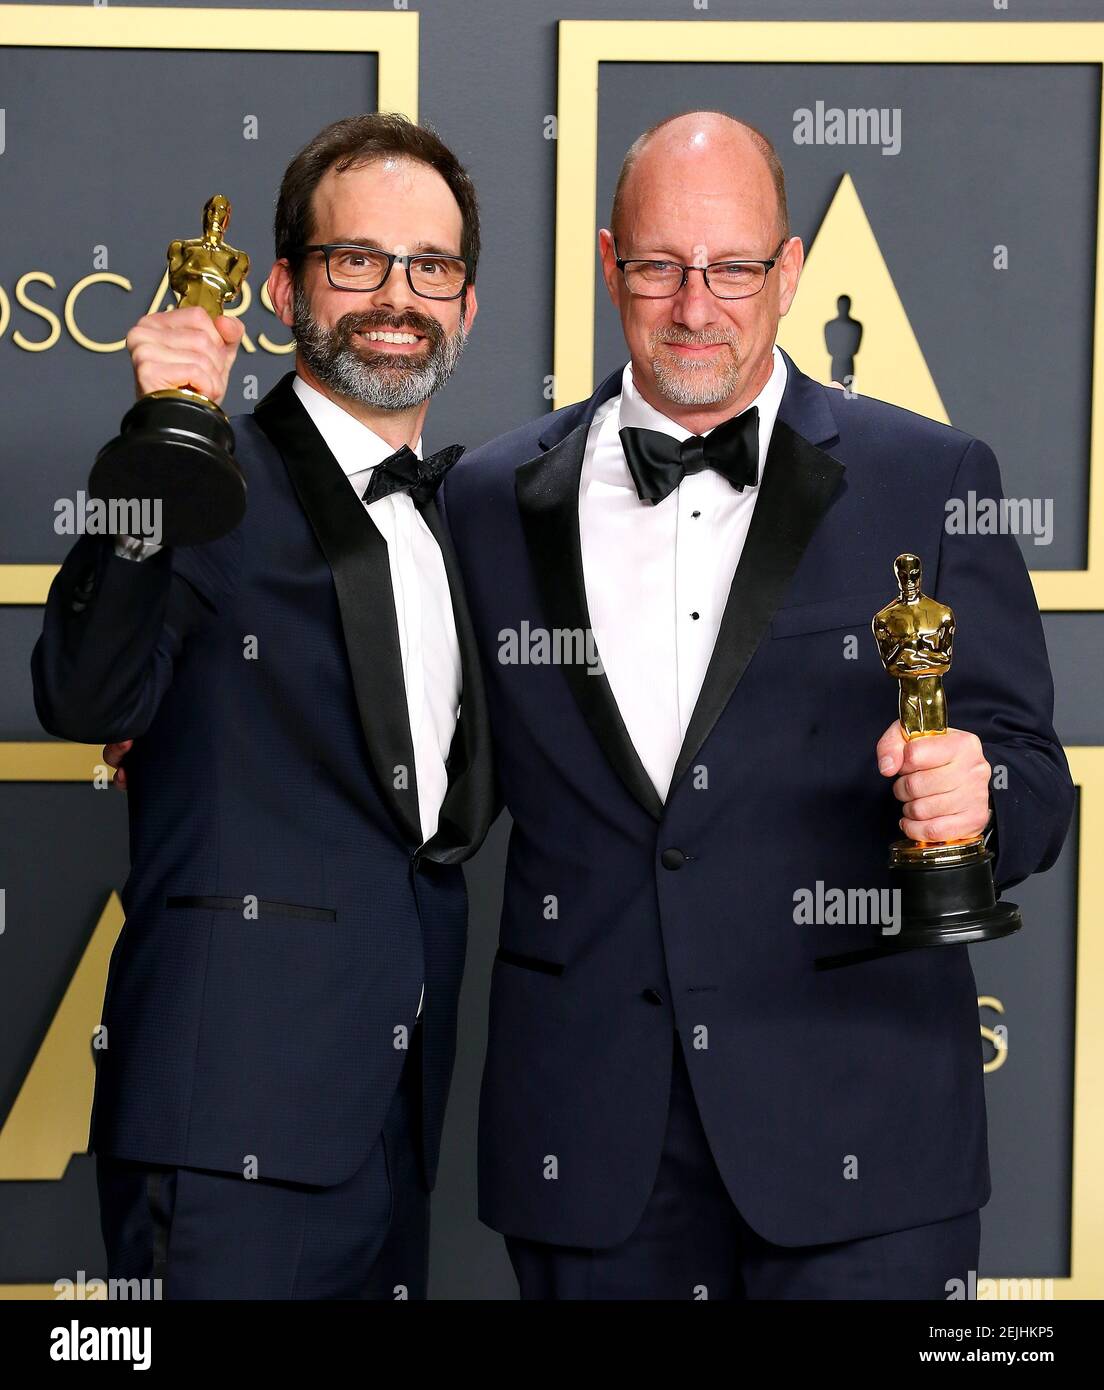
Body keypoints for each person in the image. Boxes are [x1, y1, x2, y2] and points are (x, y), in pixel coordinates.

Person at [440, 111, 1073, 1299]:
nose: (696, 305)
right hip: (592, 1143)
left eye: (732, 267)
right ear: (606, 261)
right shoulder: (488, 495)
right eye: (660, 267)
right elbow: (423, 744)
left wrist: (978, 798)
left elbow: (1037, 783)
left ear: (788, 273)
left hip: (866, 1142)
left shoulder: (932, 479)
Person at [31, 112, 494, 1299]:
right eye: (357, 261)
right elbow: (83, 691)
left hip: (397, 1125)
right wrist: (157, 446)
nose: (397, 294)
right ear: (284, 288)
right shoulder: (205, 479)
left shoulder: (473, 518)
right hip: (224, 1131)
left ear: (467, 306)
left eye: (430, 267)